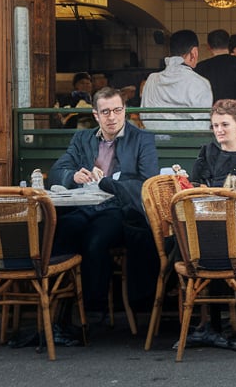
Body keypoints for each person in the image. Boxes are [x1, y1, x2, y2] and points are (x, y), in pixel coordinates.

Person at [50, 87, 160, 321]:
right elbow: (57, 171)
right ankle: (60, 310)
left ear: (125, 111)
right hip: (84, 207)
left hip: (119, 211)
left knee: (95, 240)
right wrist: (72, 177)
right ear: (95, 115)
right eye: (106, 112)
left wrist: (108, 183)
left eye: (117, 110)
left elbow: (147, 184)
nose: (112, 117)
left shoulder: (142, 140)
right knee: (61, 230)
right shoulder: (82, 138)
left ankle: (93, 310)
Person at [141, 29, 213, 131]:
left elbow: (144, 116)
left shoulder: (152, 79)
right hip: (189, 145)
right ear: (194, 53)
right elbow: (202, 126)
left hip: (155, 143)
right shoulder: (200, 83)